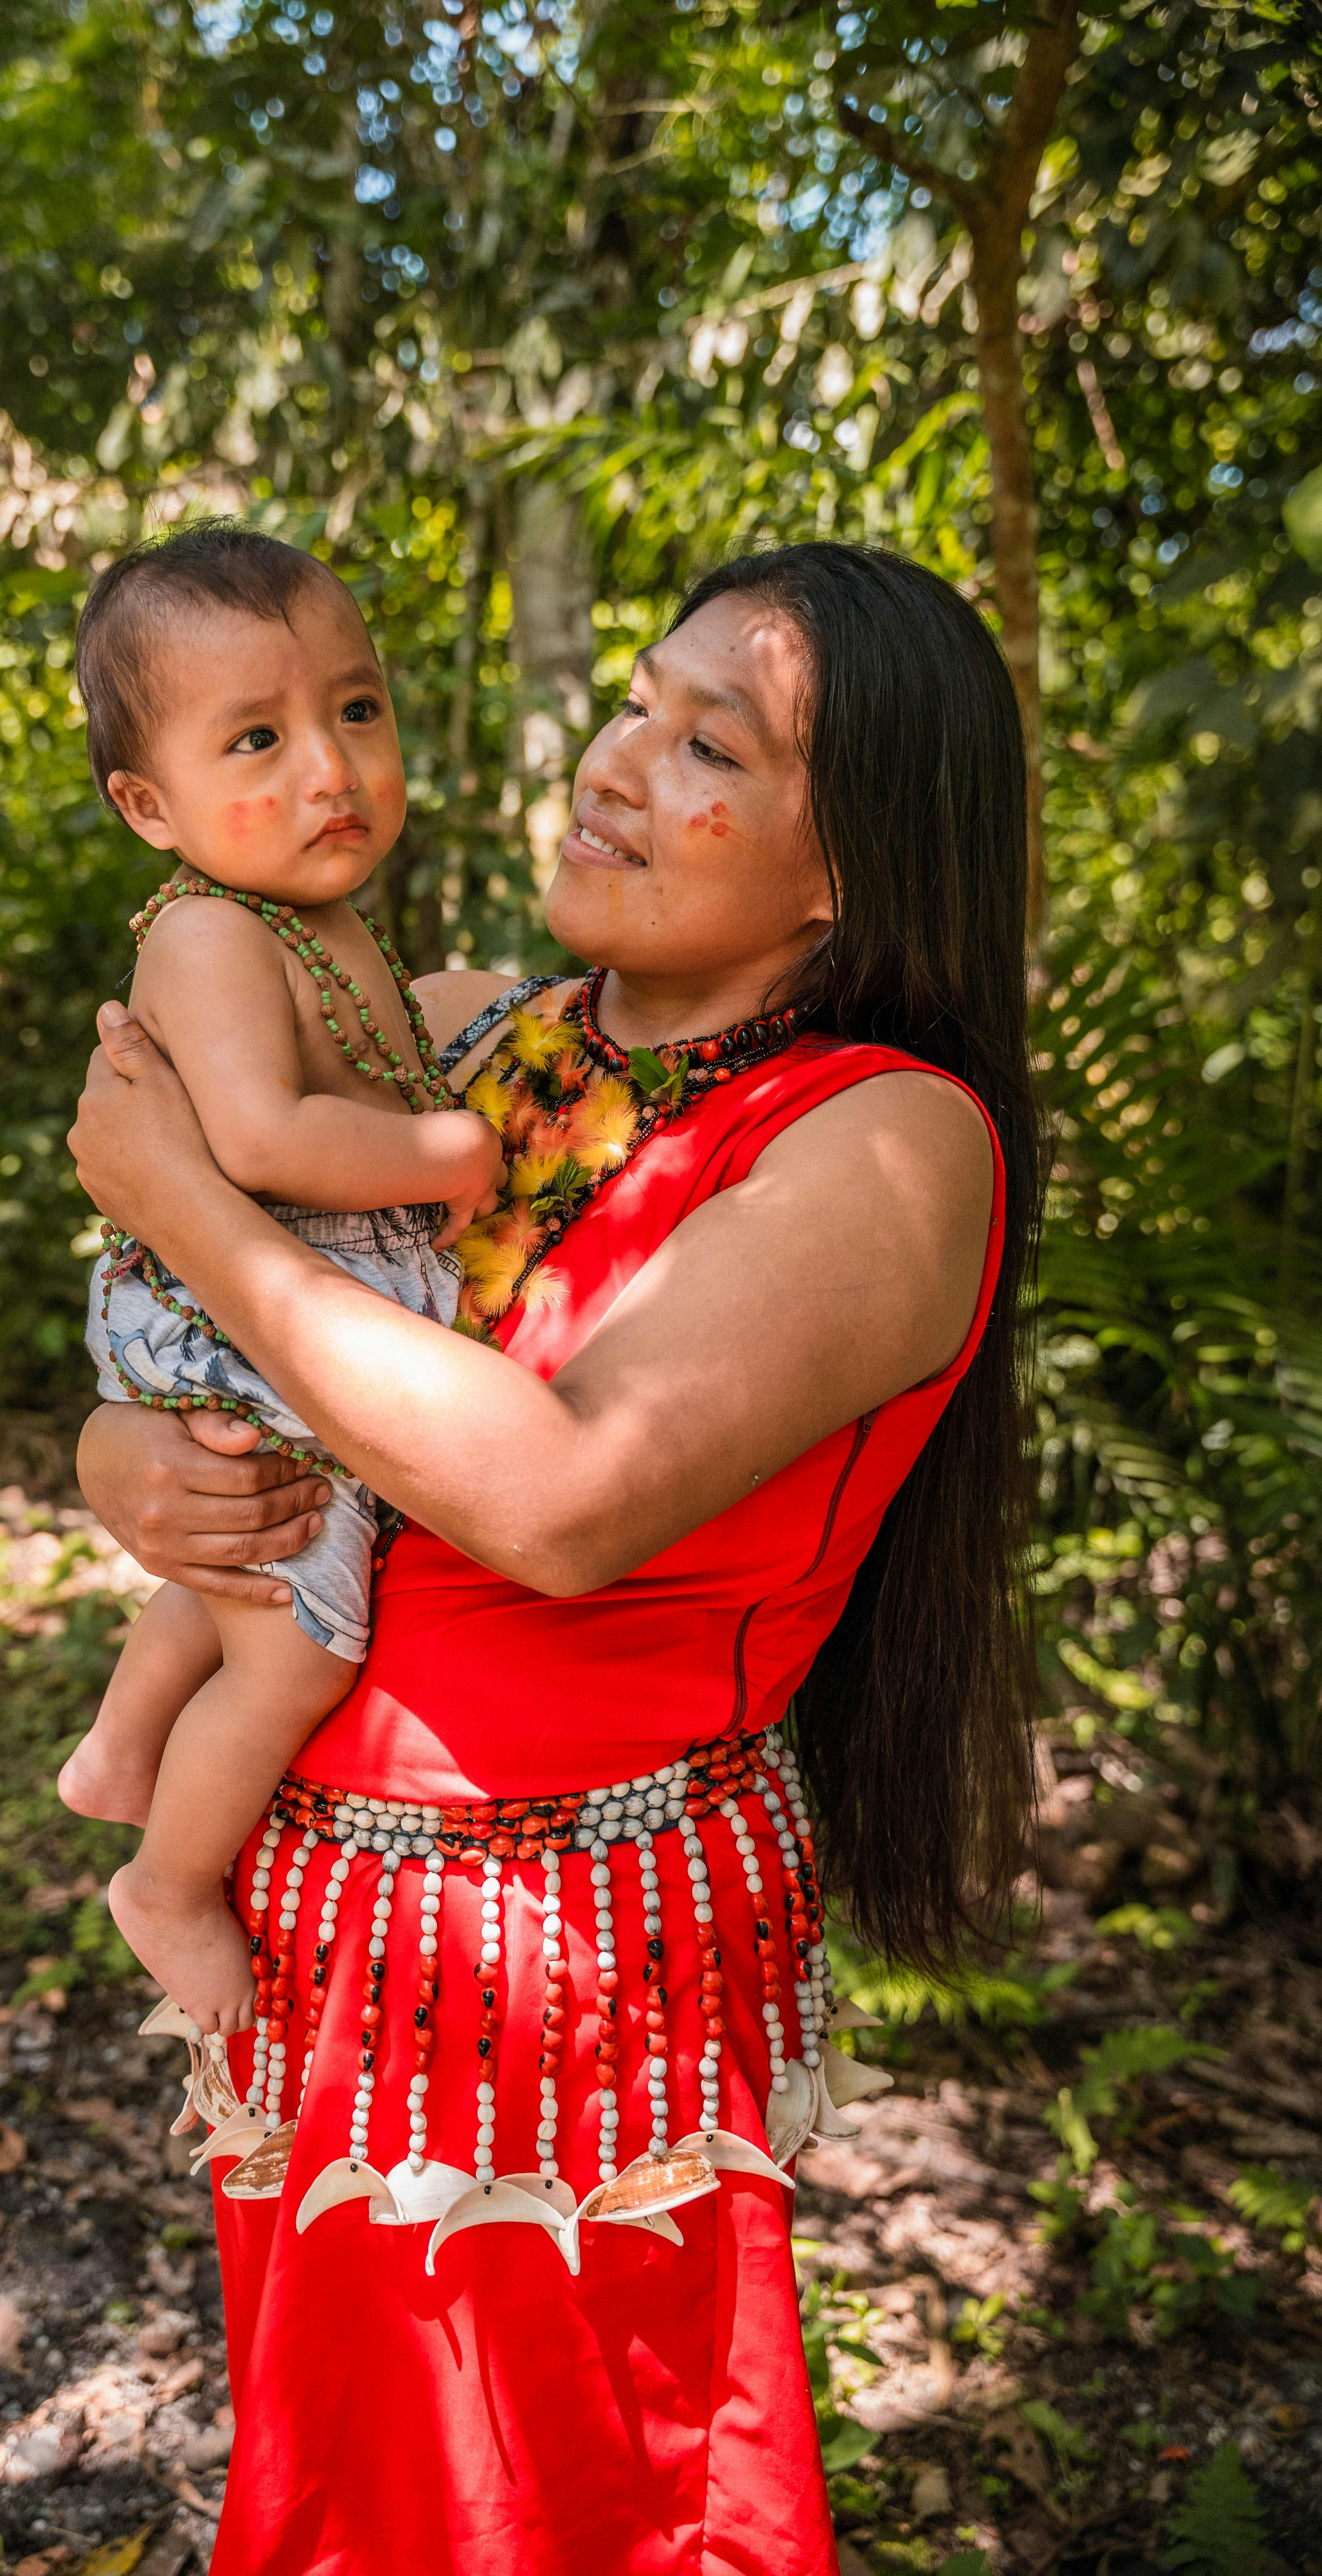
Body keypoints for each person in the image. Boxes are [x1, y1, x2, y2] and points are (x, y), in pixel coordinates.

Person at [67, 541, 1043, 2576]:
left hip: (568, 1972)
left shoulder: (878, 1140)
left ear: (848, 861)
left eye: (713, 746)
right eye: (635, 698)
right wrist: (124, 1462)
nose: (617, 762)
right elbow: (210, 1334)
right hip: (321, 1922)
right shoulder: (470, 1032)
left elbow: (559, 1496)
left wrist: (190, 1195)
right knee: (354, 2494)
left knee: (568, 2506)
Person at [58, 523, 503, 2028]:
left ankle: (123, 1747)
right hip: (238, 1306)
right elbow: (257, 1137)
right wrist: (456, 1155)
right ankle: (167, 1882)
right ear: (147, 804)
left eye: (356, 711)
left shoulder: (315, 924)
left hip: (282, 1304)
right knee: (302, 1647)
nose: (331, 768)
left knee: (257, 1569)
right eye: (258, 737)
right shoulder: (203, 933)